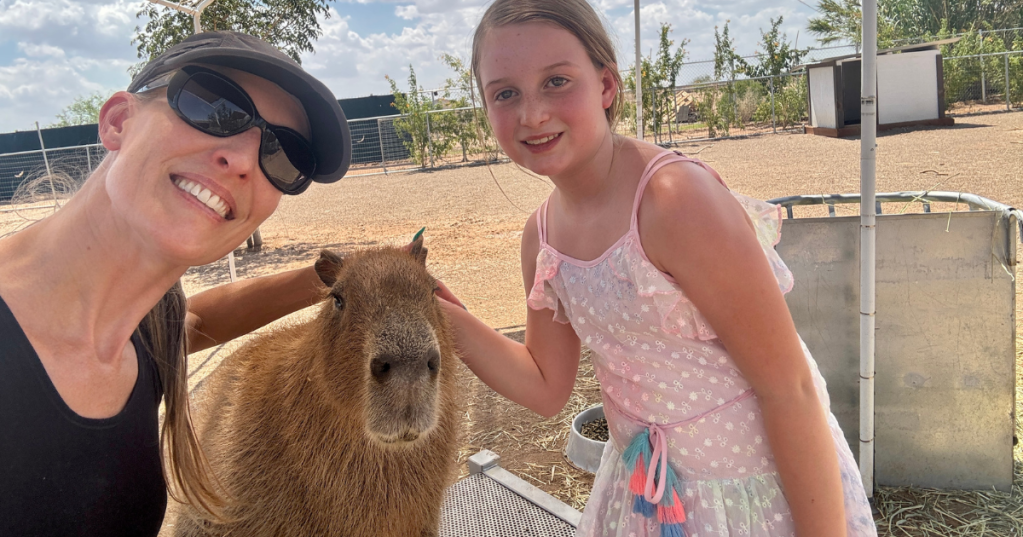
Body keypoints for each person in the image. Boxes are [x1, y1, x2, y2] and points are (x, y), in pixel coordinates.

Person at [434, 1, 878, 535]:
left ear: (605, 85)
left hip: (755, 499)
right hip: (647, 497)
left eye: (556, 81)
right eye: (505, 93)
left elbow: (790, 389)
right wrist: (439, 316)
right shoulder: (542, 239)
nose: (532, 114)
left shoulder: (674, 201)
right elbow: (546, 386)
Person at [0, 31, 356, 536]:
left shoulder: (141, 334)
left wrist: (338, 277)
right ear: (118, 121)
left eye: (285, 156)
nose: (243, 161)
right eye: (214, 107)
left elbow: (196, 321)